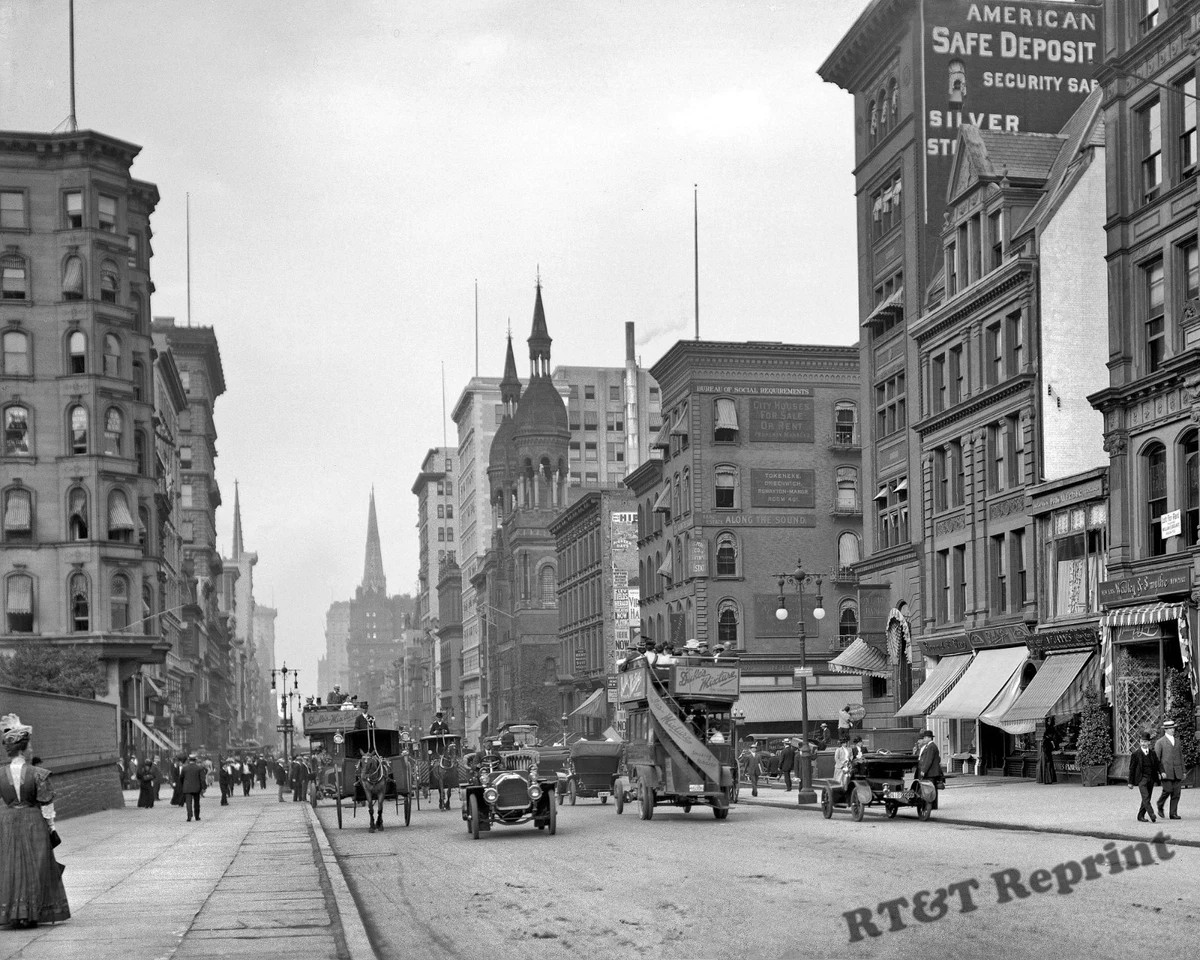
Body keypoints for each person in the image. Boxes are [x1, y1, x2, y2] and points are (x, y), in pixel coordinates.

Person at [0, 715, 70, 928]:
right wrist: (51, 829)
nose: (32, 748)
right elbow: (47, 806)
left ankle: (13, 911)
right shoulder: (38, 774)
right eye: (30, 745)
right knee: (36, 866)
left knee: (9, 864)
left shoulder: (0, 774)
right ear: (23, 748)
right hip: (33, 820)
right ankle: (32, 911)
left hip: (7, 821)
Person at [1155, 719, 1185, 820]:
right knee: (1167, 790)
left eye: (1173, 728)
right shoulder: (1160, 742)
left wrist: (1183, 770)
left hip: (1177, 771)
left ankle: (1173, 813)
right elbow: (1157, 759)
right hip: (1166, 772)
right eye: (1171, 728)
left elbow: (1181, 757)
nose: (1173, 730)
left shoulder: (1177, 742)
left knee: (1176, 793)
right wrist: (1158, 772)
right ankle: (1160, 803)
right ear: (1166, 730)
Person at [1128, 732, 1162, 823]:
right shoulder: (1135, 754)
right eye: (1142, 741)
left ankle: (1140, 815)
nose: (1143, 743)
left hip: (1151, 778)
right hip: (1141, 779)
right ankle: (1152, 814)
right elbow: (1132, 769)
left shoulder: (1152, 754)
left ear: (1149, 743)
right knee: (1145, 797)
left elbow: (1158, 764)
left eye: (1145, 742)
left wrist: (1162, 772)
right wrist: (1130, 782)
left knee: (1147, 797)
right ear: (1139, 742)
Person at [914, 729, 945, 807]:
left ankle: (932, 805)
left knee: (931, 789)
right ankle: (933, 804)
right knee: (932, 788)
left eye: (925, 738)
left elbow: (929, 760)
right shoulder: (930, 746)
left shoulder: (931, 746)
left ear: (929, 738)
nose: (924, 739)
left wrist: (924, 770)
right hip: (932, 771)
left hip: (931, 772)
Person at [178, 753, 205, 822]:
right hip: (196, 787)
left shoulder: (184, 768)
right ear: (195, 760)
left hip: (187, 787)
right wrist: (203, 787)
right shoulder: (199, 768)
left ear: (189, 760)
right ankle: (197, 816)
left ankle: (189, 815)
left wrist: (183, 784)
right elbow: (202, 779)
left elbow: (181, 778)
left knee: (188, 802)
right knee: (196, 802)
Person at [1037, 716, 1059, 784]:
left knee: (1047, 763)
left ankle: (1047, 779)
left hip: (1046, 750)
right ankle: (1048, 779)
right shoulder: (1048, 734)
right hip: (1046, 750)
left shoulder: (1047, 732)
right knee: (1047, 763)